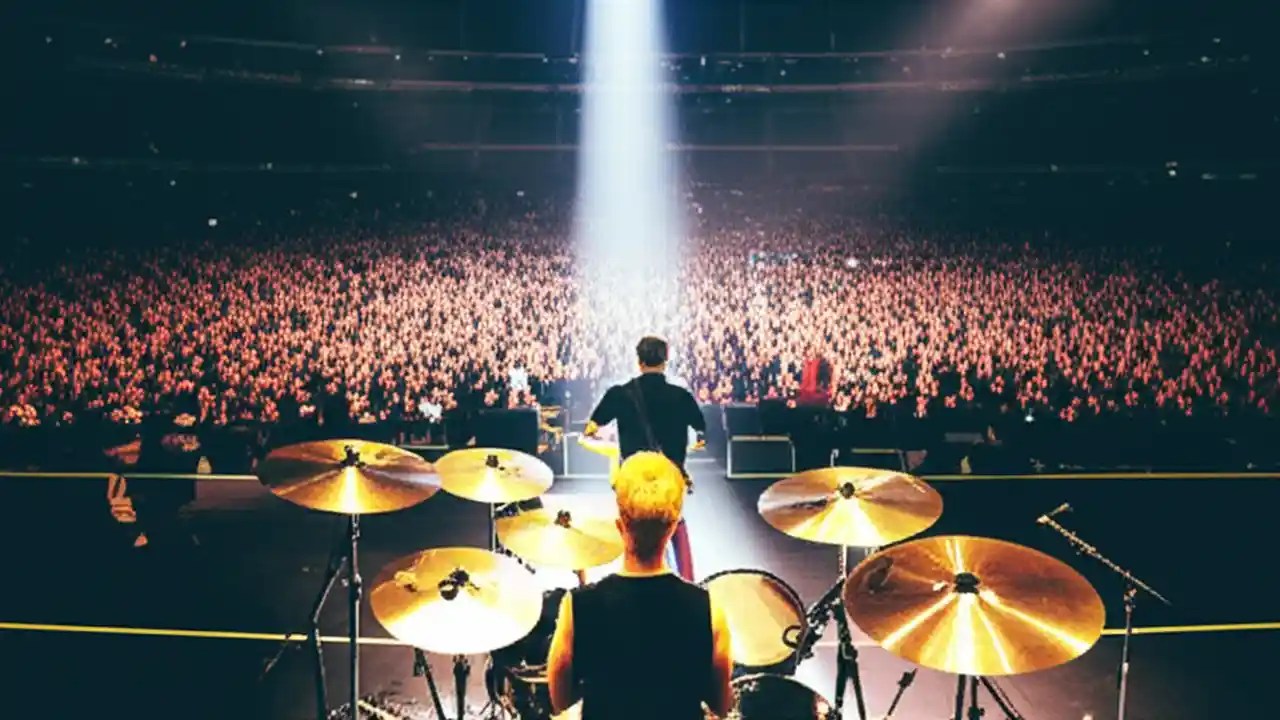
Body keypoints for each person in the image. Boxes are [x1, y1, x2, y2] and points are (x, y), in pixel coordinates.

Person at [546, 452, 734, 720]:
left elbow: (561, 703)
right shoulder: (709, 609)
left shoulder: (577, 606)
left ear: (619, 525)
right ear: (672, 529)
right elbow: (720, 706)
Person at [584, 336, 706, 580]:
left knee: (633, 533)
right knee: (673, 527)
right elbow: (701, 431)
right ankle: (687, 583)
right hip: (669, 479)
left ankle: (632, 580)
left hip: (633, 480)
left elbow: (591, 428)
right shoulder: (681, 396)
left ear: (639, 362)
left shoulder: (620, 394)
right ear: (666, 361)